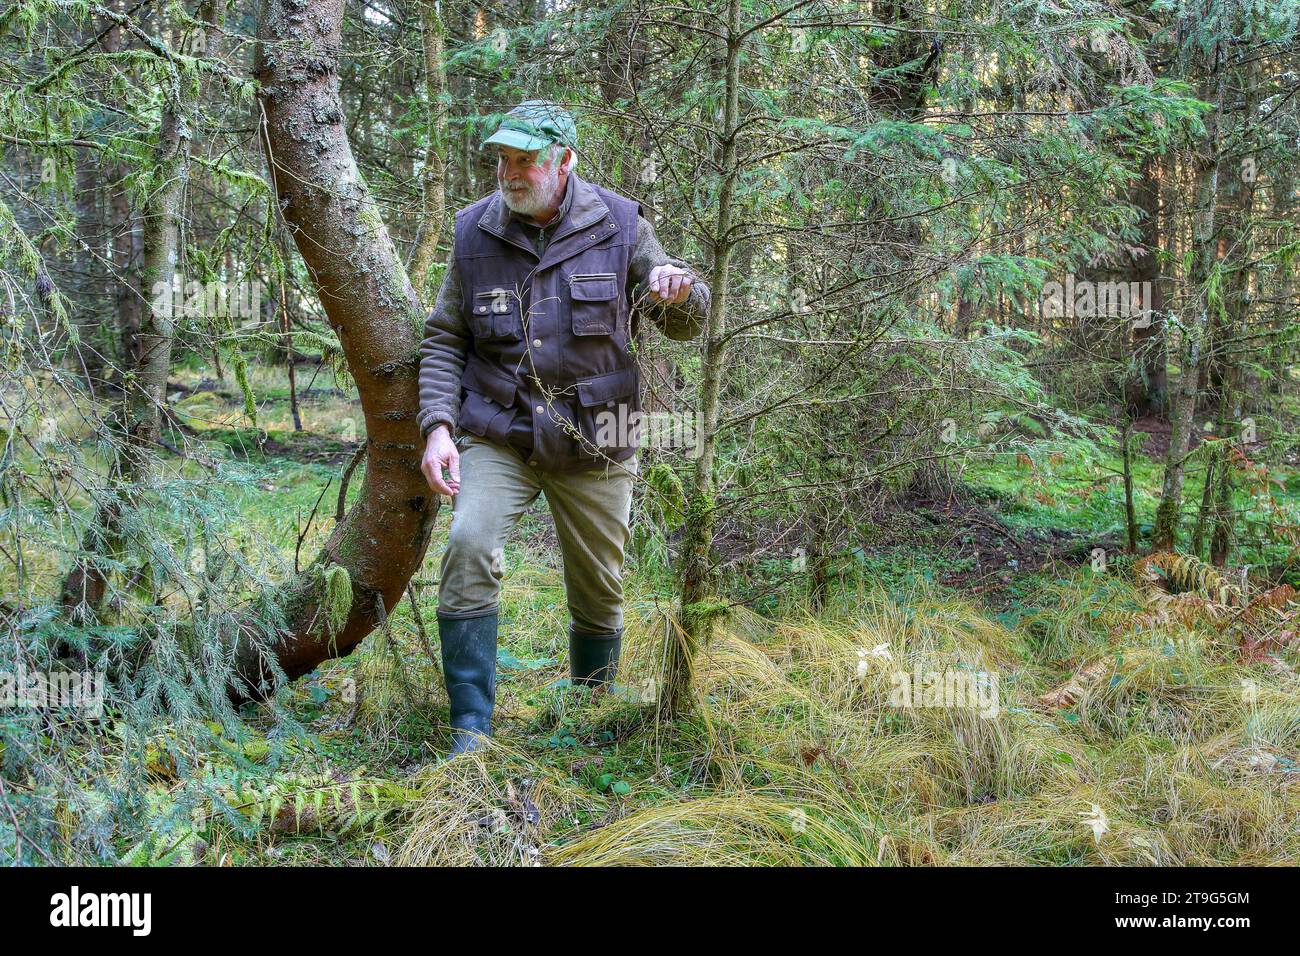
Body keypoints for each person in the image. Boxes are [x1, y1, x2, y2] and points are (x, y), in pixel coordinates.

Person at [416, 100, 711, 753]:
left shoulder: (623, 225)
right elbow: (444, 340)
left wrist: (681, 293)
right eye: (504, 159)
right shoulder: (473, 232)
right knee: (468, 546)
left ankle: (589, 714)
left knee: (599, 589)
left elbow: (685, 325)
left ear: (566, 160)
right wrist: (438, 425)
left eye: (526, 161)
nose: (511, 173)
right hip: (503, 429)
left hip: (597, 435)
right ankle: (470, 731)